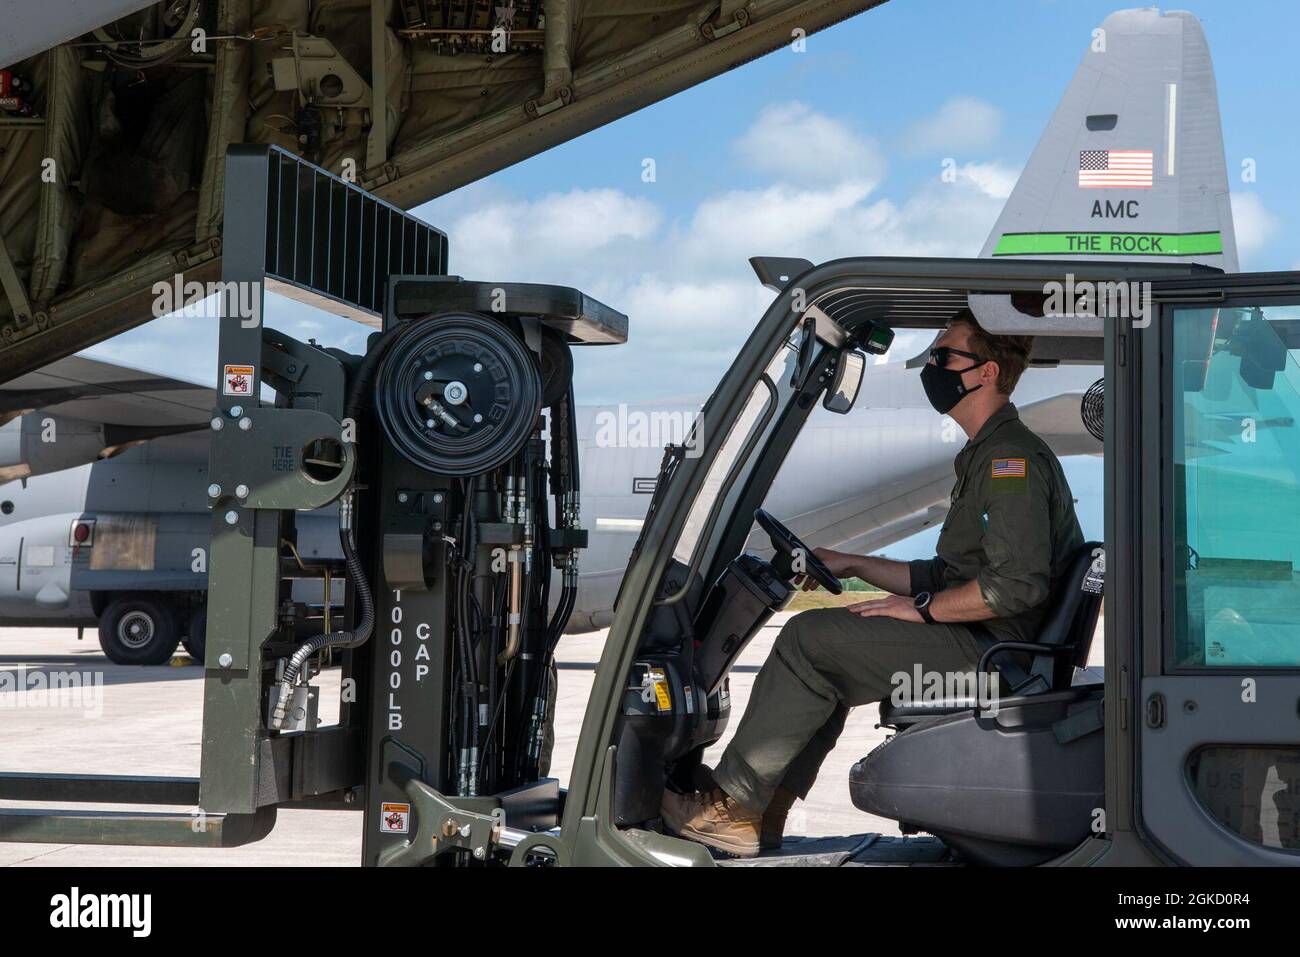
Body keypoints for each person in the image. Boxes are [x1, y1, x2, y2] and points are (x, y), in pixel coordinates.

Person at [660, 309, 1085, 858]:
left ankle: (737, 806)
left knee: (807, 642)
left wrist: (918, 611)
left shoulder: (1008, 462)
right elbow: (947, 575)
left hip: (996, 652)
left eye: (944, 356)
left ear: (986, 373)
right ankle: (758, 814)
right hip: (989, 638)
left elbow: (1012, 589)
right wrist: (856, 564)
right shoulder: (987, 454)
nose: (931, 367)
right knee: (834, 650)